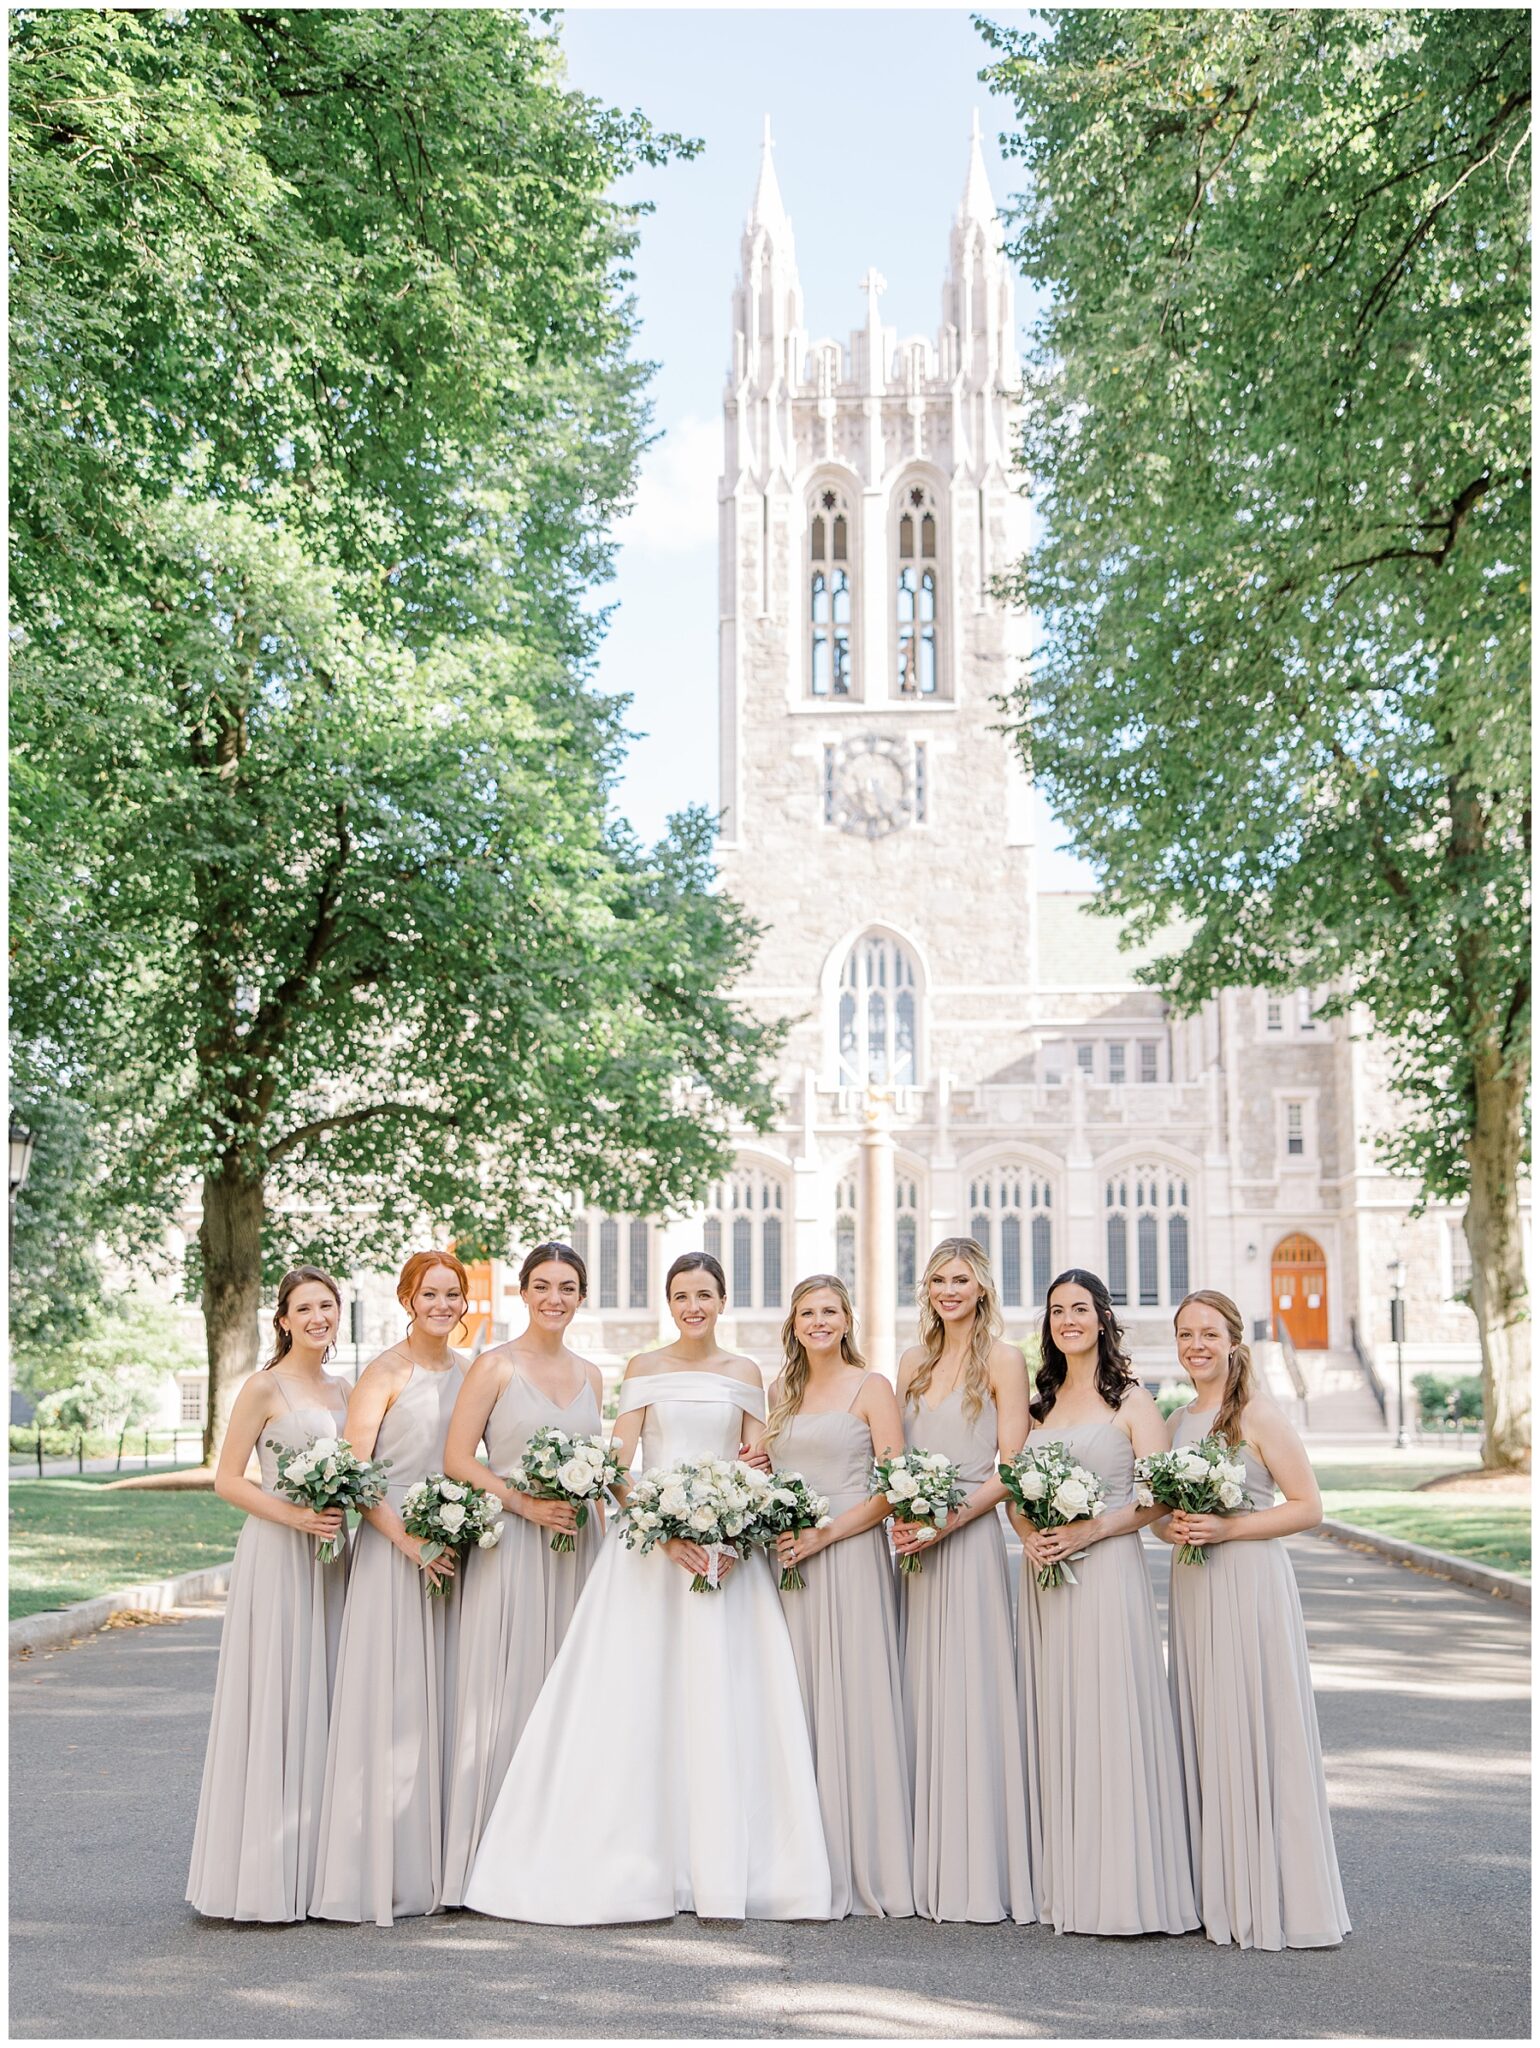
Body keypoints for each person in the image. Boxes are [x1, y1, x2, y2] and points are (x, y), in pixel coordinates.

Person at [463, 1251, 831, 1924]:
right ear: (670, 1304)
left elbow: (754, 1465)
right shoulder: (641, 1369)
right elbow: (620, 1466)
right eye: (682, 1295)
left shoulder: (747, 1373)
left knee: (727, 1697)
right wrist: (663, 1530)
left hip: (725, 1555)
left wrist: (727, 1523)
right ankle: (628, 1860)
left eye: (704, 1294)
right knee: (635, 1697)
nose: (693, 1305)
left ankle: (726, 1862)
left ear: (723, 1301)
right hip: (649, 1555)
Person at [1162, 1288, 1351, 1949]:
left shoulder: (1259, 1414)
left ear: (1233, 1341)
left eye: (1208, 1333)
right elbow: (1160, 1521)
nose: (1196, 1345)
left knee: (1256, 1724)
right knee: (1207, 1723)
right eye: (1186, 1334)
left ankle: (1274, 1897)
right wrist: (1179, 1527)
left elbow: (1308, 1507)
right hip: (1194, 1586)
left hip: (1249, 1583)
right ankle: (1218, 1891)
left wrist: (1228, 1527)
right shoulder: (1180, 1420)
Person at [1015, 1268, 1198, 1938]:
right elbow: (1014, 1494)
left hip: (1109, 1573)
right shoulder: (1037, 1407)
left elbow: (1158, 1499)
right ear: (1049, 1324)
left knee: (1109, 1714)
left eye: (1081, 1309)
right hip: (1044, 1581)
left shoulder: (1133, 1402)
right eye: (1058, 1309)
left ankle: (1124, 1886)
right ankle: (1067, 1877)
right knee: (1058, 1714)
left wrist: (1090, 1529)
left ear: (1102, 1318)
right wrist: (1033, 1536)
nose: (1070, 1320)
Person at [439, 1241, 604, 1907]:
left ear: (581, 1297)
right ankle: (486, 1863)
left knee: (570, 1697)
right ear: (523, 1292)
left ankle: (562, 1853)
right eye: (542, 1286)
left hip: (580, 1552)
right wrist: (524, 1502)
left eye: (567, 1287)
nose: (554, 1298)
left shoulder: (593, 1373)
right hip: (513, 1547)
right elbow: (457, 1458)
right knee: (504, 1693)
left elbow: (605, 1465)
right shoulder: (494, 1366)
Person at [309, 1250, 470, 1925]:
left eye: (452, 1294)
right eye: (430, 1293)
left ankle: (439, 1864)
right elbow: (356, 1475)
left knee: (445, 1703)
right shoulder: (383, 1373)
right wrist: (409, 1543)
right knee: (392, 1701)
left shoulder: (471, 1372)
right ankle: (378, 1869)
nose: (442, 1304)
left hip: (455, 1545)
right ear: (408, 1299)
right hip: (393, 1548)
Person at [187, 1266, 351, 1920]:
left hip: (334, 1555)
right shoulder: (263, 1387)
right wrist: (294, 1517)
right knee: (280, 1694)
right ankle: (260, 1876)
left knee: (328, 1696)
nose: (317, 1317)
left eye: (327, 1305)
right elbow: (227, 1480)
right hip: (279, 1551)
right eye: (304, 1307)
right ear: (282, 1319)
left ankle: (316, 1868)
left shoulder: (346, 1390)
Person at [895, 1237, 1038, 1924]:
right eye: (937, 1280)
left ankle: (979, 1866)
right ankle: (923, 1860)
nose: (948, 1290)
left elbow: (1011, 1466)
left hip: (971, 1539)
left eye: (960, 1279)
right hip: (914, 1544)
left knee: (970, 1688)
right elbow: (887, 1453)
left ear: (982, 1287)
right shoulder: (912, 1362)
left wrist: (948, 1522)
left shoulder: (1006, 1362)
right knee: (919, 1687)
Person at [762, 1273, 914, 1918]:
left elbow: (894, 1486)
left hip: (847, 1554)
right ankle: (798, 1856)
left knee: (851, 1697)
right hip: (788, 1558)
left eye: (829, 1311)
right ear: (793, 1325)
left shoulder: (872, 1386)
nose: (818, 1322)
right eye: (806, 1313)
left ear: (846, 1320)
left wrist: (824, 1536)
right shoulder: (779, 1392)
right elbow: (770, 1470)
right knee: (795, 1697)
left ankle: (862, 1857)